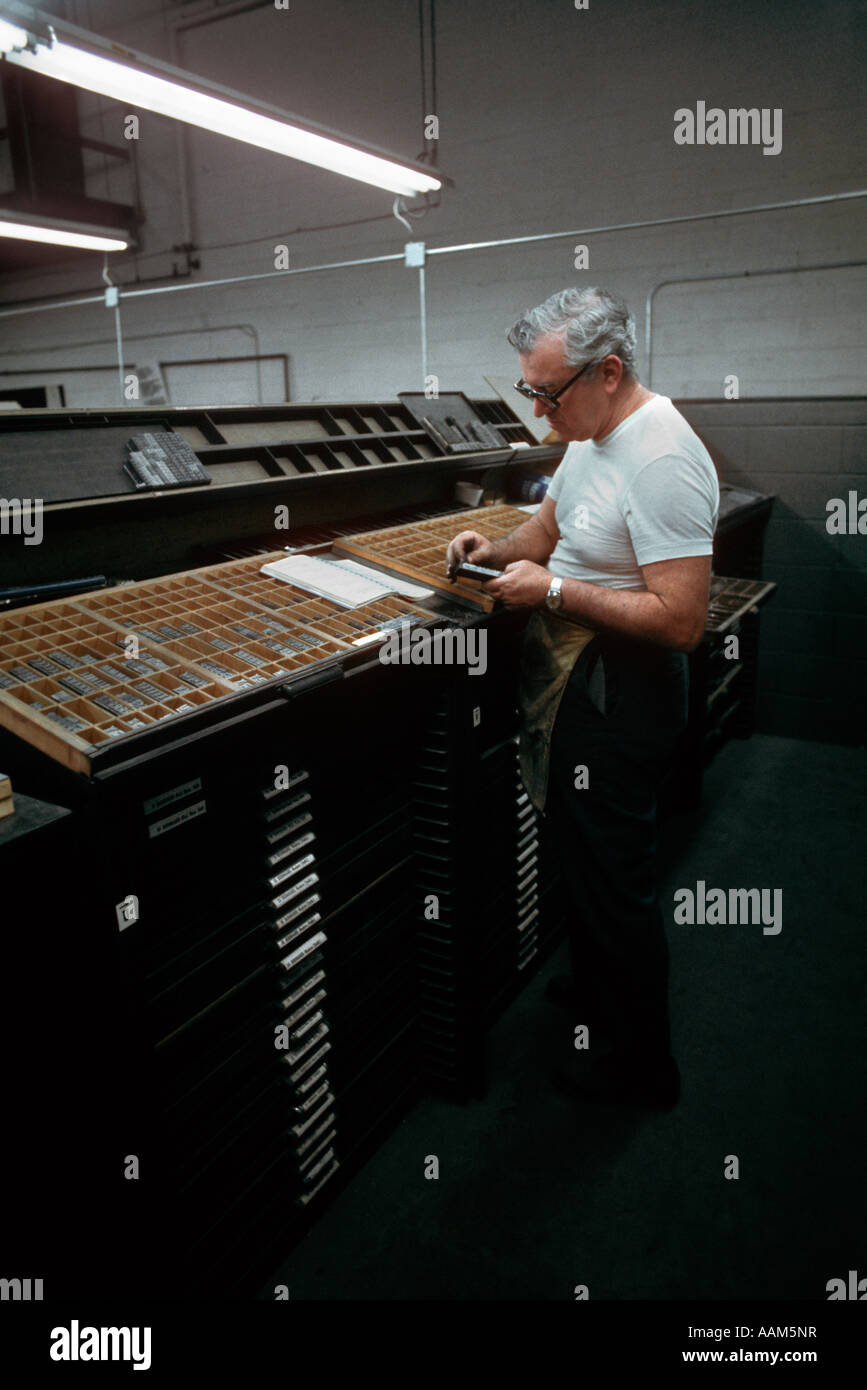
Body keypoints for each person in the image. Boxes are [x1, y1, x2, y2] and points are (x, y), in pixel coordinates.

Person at [446, 287, 719, 1107]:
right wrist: (491, 549)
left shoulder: (661, 456)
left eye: (548, 394)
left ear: (608, 371)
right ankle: (599, 993)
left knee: (615, 883)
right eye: (528, 392)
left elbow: (681, 622)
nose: (537, 414)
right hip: (573, 686)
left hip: (619, 693)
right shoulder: (587, 434)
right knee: (581, 859)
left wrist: (555, 593)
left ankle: (641, 1071)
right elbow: (545, 532)